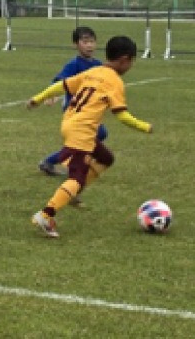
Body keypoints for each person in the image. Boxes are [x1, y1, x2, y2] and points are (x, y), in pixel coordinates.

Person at [26, 35, 154, 239]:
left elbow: (62, 86)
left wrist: (38, 98)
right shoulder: (115, 82)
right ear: (124, 60)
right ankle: (45, 215)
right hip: (82, 131)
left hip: (70, 122)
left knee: (105, 158)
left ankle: (73, 192)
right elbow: (121, 115)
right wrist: (144, 126)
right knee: (76, 176)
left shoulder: (93, 72)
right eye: (131, 62)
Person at [37, 26, 106, 176]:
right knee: (94, 135)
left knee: (96, 136)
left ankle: (55, 161)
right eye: (85, 41)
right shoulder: (74, 64)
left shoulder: (99, 65)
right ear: (76, 44)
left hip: (89, 110)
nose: (89, 45)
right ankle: (59, 162)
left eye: (92, 41)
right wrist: (52, 95)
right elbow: (59, 81)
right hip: (74, 110)